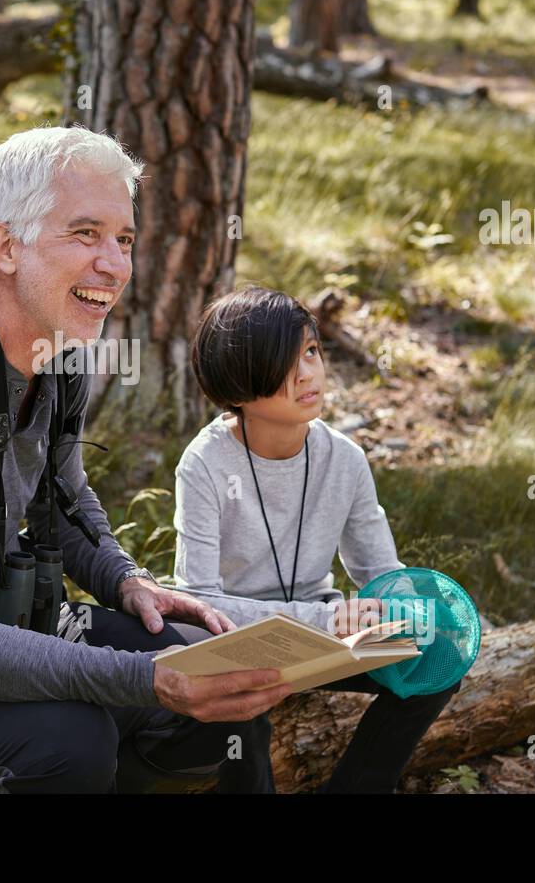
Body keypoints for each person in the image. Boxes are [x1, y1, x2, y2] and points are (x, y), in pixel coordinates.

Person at [0, 127, 293, 793]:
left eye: (123, 239)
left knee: (226, 680)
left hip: (11, 627)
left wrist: (125, 581)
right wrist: (148, 680)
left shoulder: (61, 354)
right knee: (72, 746)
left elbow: (60, 504)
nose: (115, 265)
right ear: (8, 246)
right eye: (85, 234)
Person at [173, 285, 461, 793]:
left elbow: (381, 571)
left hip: (325, 640)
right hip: (238, 640)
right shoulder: (205, 464)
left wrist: (405, 610)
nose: (307, 373)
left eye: (310, 351)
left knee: (438, 659)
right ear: (238, 388)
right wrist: (325, 617)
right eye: (285, 363)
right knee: (244, 701)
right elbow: (199, 600)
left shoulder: (344, 458)